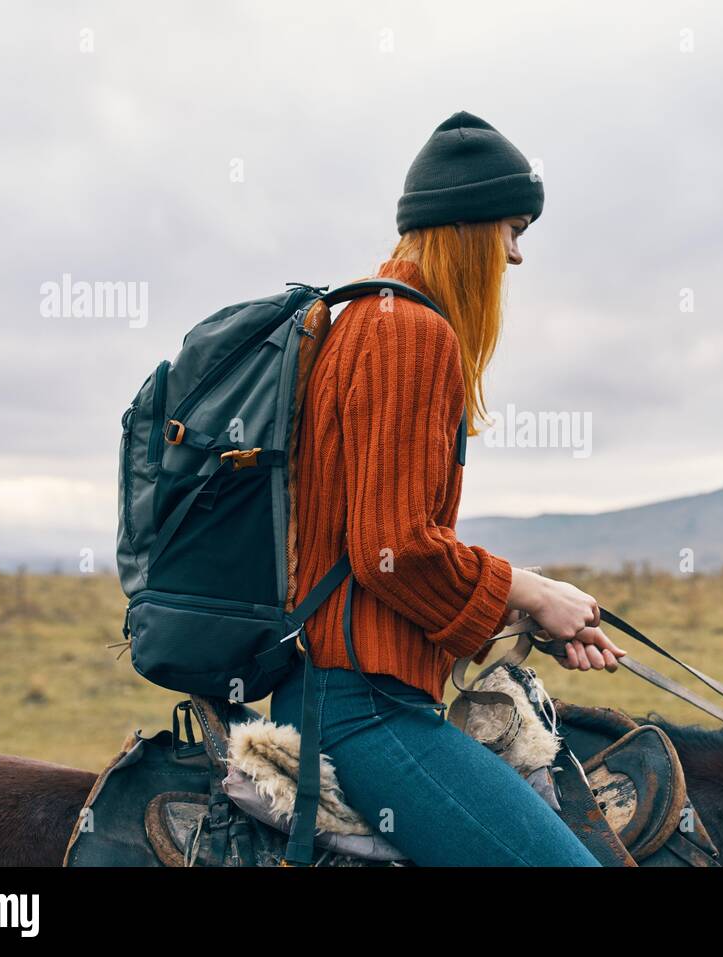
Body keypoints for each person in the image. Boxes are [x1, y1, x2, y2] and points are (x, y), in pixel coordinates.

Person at [272, 110, 627, 866]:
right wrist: (530, 589)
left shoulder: (366, 316)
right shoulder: (411, 332)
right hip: (365, 712)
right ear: (467, 227)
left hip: (345, 691)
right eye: (512, 229)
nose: (517, 255)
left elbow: (377, 549)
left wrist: (527, 613)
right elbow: (392, 549)